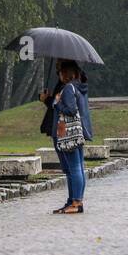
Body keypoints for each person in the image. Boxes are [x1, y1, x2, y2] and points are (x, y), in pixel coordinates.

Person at [49, 59, 93, 214]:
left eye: (60, 72)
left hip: (69, 133)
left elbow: (71, 110)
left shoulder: (68, 88)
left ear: (66, 74)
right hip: (76, 133)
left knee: (74, 168)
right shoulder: (78, 87)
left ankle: (76, 202)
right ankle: (73, 201)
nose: (59, 75)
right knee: (77, 167)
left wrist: (56, 102)